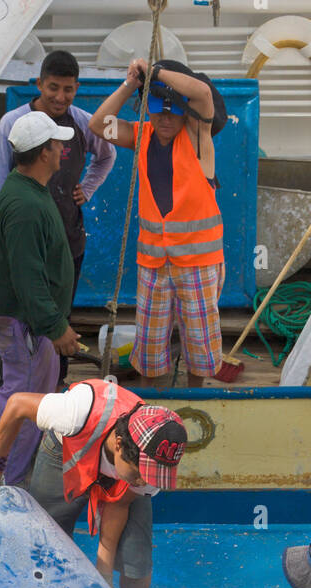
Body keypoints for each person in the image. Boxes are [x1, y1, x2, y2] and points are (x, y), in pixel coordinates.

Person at [0, 377, 187, 588]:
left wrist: (103, 571)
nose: (144, 482)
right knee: (45, 540)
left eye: (152, 476)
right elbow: (16, 404)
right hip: (67, 448)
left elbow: (120, 503)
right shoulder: (76, 411)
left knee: (136, 556)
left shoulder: (154, 463)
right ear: (119, 444)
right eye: (140, 474)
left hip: (117, 464)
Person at [89, 58, 224, 388]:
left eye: (172, 111)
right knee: (150, 346)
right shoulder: (140, 135)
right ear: (147, 108)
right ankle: (157, 405)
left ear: (184, 113)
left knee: (199, 346)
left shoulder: (197, 137)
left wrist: (154, 71)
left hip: (198, 264)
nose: (165, 118)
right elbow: (98, 125)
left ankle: (196, 398)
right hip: (153, 265)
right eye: (157, 110)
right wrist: (132, 83)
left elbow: (203, 92)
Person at [0, 49, 116, 387]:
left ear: (76, 89)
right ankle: (10, 388)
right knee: (19, 319)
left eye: (68, 89)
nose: (60, 97)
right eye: (53, 87)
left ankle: (57, 383)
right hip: (23, 240)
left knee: (59, 316)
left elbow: (107, 155)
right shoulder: (12, 124)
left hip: (67, 241)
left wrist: (87, 188)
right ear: (40, 83)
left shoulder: (82, 123)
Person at [0, 110, 79, 487]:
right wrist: (56, 327)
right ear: (44, 154)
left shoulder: (25, 188)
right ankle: (10, 482)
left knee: (33, 391)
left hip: (28, 322)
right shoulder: (26, 206)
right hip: (25, 323)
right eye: (57, 145)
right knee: (23, 397)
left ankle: (16, 469)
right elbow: (28, 277)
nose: (62, 151)